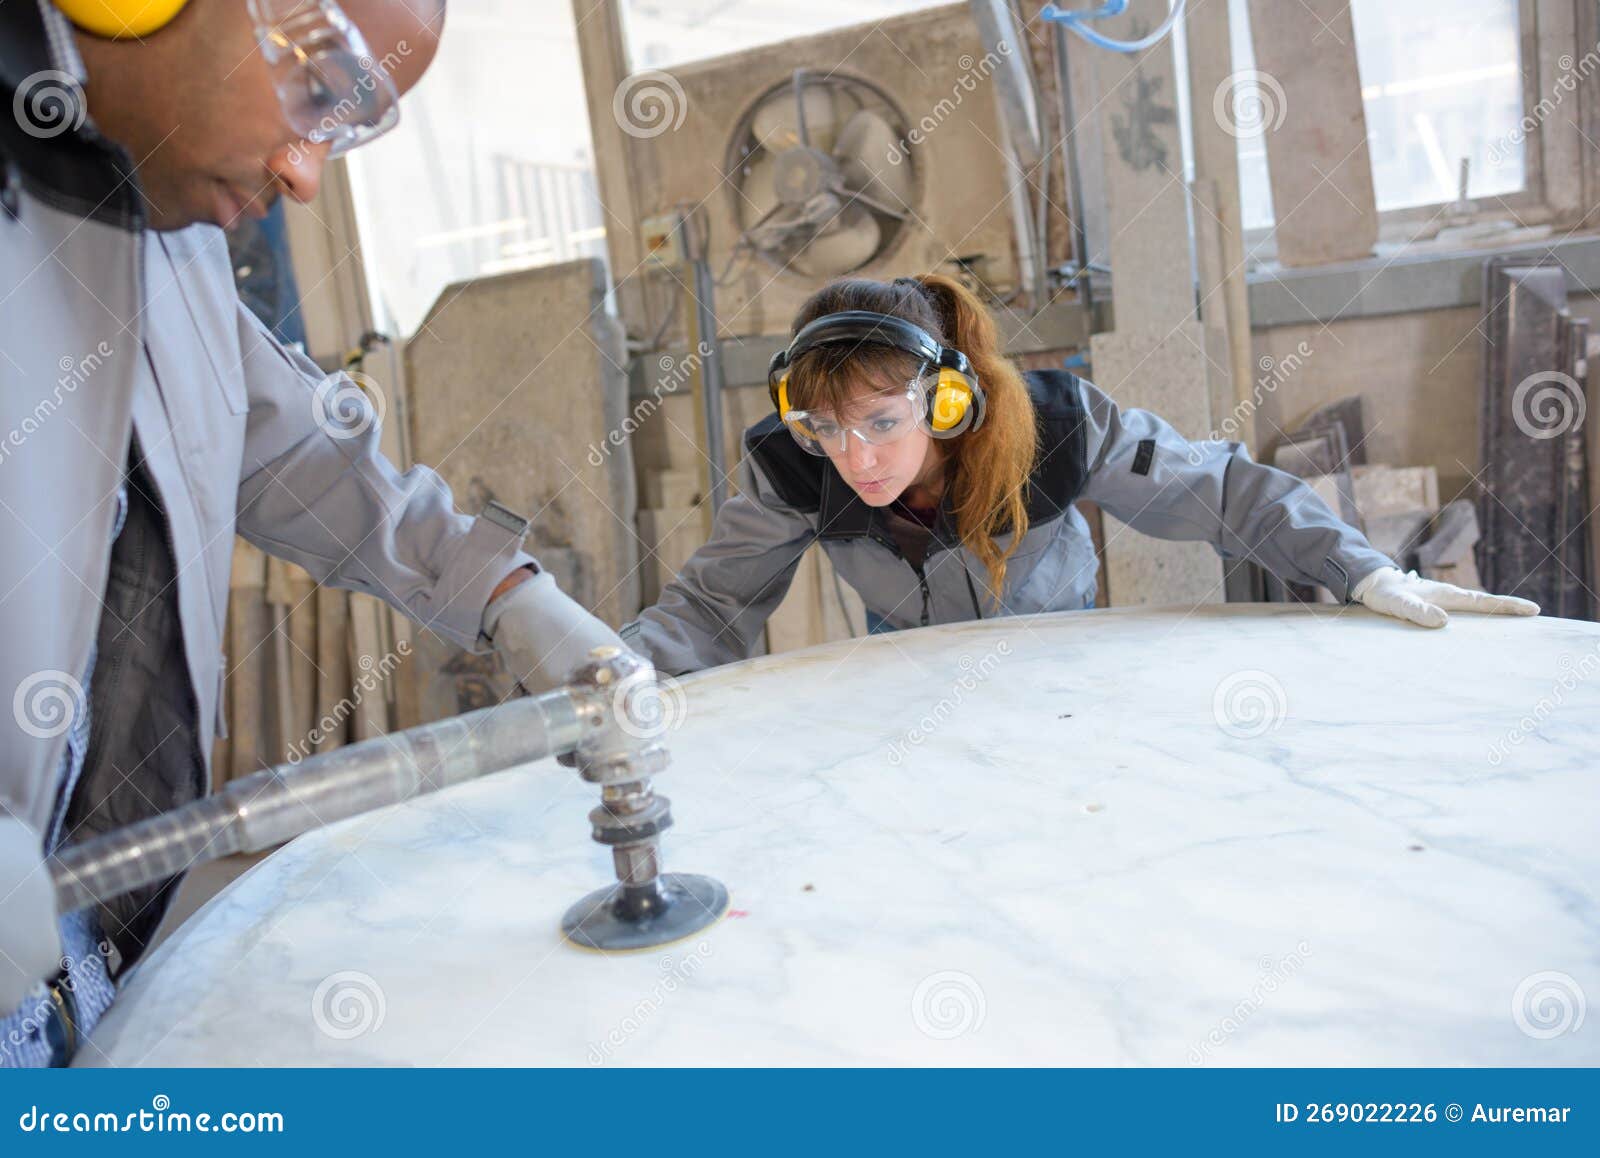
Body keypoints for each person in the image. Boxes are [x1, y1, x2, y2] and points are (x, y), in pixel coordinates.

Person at [0, 0, 618, 1064]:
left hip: (76, 945)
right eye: (317, 93)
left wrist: (504, 592)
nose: (303, 176)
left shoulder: (163, 220)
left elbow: (281, 439)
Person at [621, 273, 1539, 674]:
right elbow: (711, 606)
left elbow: (1221, 490)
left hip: (1061, 663)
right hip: (910, 673)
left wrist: (1362, 570)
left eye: (882, 423)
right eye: (826, 427)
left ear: (946, 402)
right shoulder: (794, 464)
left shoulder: (1057, 426)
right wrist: (618, 674)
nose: (854, 458)